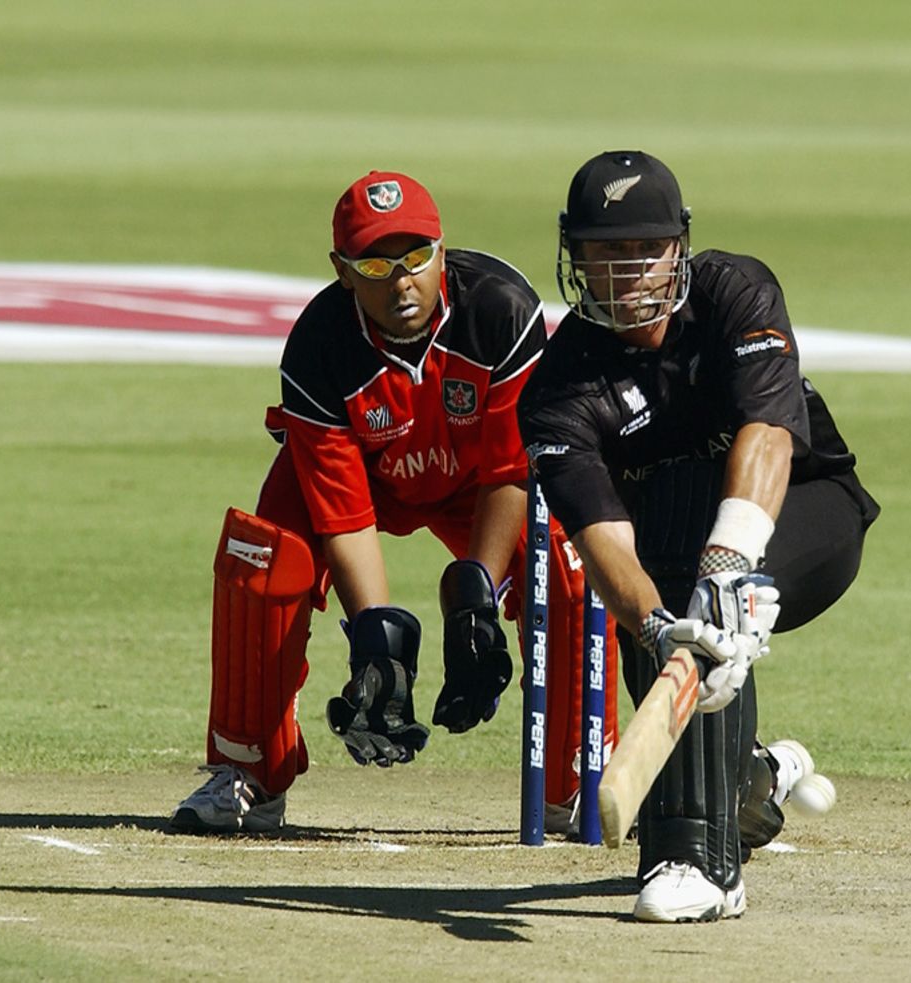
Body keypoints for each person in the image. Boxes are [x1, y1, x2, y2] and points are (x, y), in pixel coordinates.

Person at [170, 170, 617, 834]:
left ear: (442, 251)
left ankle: (576, 782)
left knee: (569, 556)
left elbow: (510, 471)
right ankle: (250, 773)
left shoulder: (500, 310)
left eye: (415, 257)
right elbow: (343, 514)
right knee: (261, 554)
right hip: (370, 476)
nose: (400, 279)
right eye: (375, 263)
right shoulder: (319, 347)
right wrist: (376, 640)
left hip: (478, 482)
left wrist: (476, 598)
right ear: (342, 271)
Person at [518, 151, 880, 922]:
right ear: (573, 255)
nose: (626, 273)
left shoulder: (733, 292)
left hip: (806, 513)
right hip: (662, 567)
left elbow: (770, 438)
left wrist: (728, 567)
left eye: (643, 251)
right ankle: (743, 784)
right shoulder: (557, 390)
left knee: (700, 566)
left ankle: (701, 863)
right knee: (673, 602)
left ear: (680, 246)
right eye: (603, 252)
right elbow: (606, 543)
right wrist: (659, 629)